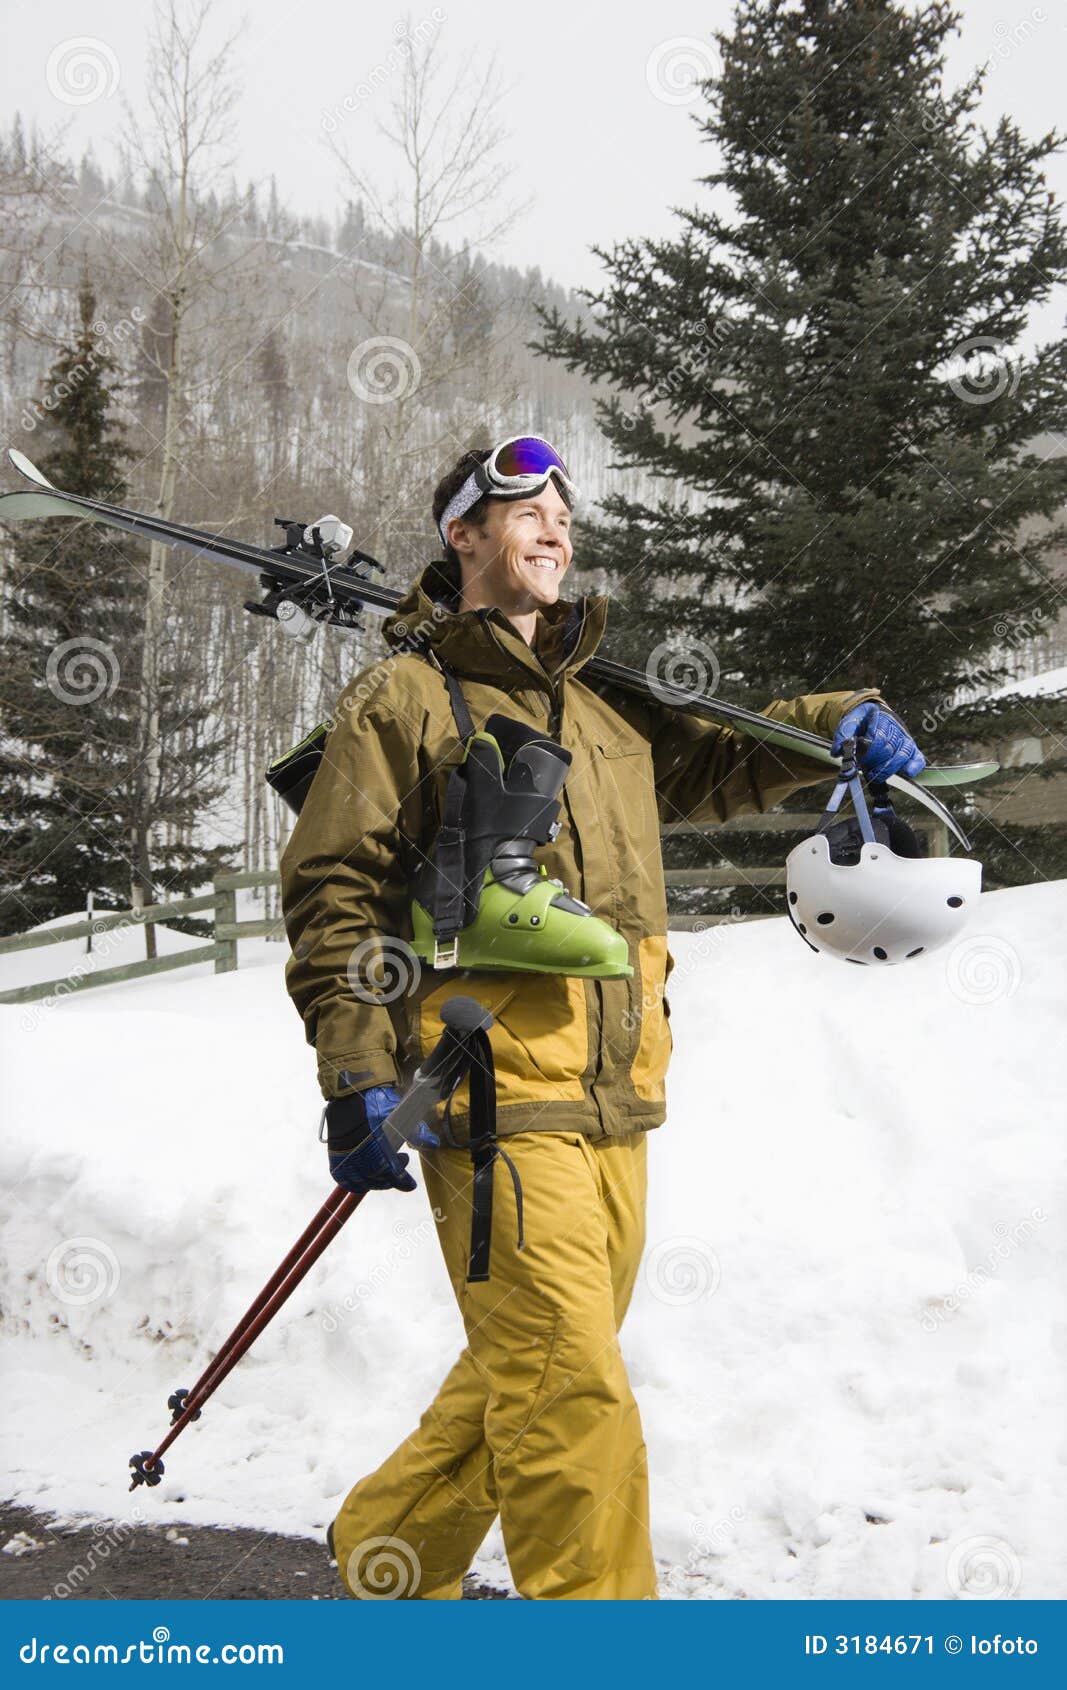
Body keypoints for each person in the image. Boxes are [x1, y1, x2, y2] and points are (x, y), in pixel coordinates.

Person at [279, 435, 925, 1600]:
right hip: (491, 1090)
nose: (555, 528)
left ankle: (385, 1551)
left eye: (566, 516)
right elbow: (335, 889)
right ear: (462, 535)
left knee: (529, 1368)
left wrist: (842, 716)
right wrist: (355, 1069)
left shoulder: (605, 711)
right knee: (571, 1395)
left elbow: (728, 755)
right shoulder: (407, 696)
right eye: (523, 508)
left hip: (616, 1092)